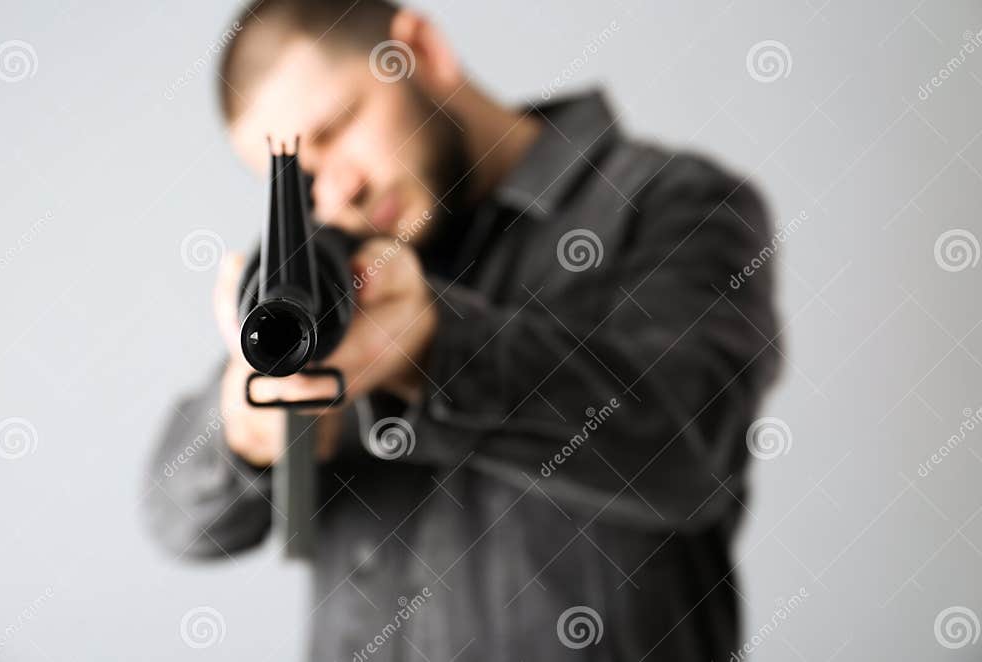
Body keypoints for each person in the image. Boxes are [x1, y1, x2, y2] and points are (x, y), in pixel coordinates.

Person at [143, 1, 782, 660]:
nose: (336, 191)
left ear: (420, 48)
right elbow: (177, 521)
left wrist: (429, 348)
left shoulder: (666, 201)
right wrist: (247, 432)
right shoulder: (338, 272)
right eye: (297, 179)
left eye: (337, 126)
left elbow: (691, 451)